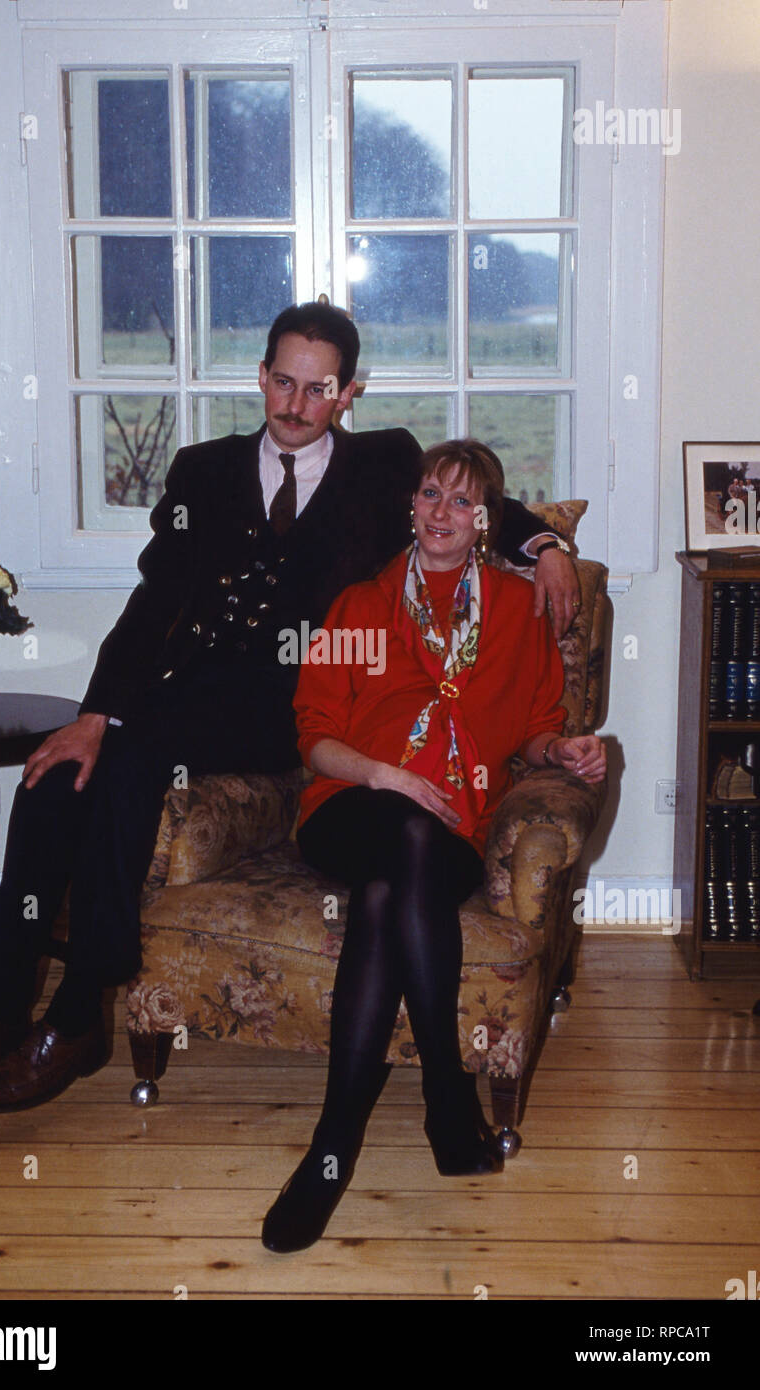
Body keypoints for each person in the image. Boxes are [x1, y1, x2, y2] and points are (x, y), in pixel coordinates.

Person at [0, 302, 580, 1113]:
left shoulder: (384, 467)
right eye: (282, 381)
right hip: (193, 693)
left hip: (293, 708)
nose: (295, 405)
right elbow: (153, 600)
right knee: (55, 772)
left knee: (123, 761)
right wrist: (95, 711)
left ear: (347, 394)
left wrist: (544, 547)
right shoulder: (202, 470)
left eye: (318, 389)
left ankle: (77, 1009)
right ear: (261, 374)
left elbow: (474, 503)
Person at [261, 438, 606, 1253]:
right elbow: (313, 739)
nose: (440, 513)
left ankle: (333, 1148)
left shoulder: (519, 612)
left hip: (457, 827)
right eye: (428, 496)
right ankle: (442, 1099)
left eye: (460, 501)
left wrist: (563, 752)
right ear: (409, 507)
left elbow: (532, 732)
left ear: (485, 519)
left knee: (391, 889)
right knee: (404, 832)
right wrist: (385, 775)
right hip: (348, 806)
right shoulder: (359, 606)